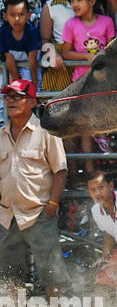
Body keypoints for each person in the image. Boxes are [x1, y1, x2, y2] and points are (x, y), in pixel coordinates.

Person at [0, 78, 68, 295]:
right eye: (8, 96)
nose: (10, 101)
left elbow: (60, 170)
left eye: (17, 97)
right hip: (7, 216)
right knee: (11, 276)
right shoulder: (1, 135)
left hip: (39, 213)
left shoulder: (45, 132)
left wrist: (53, 205)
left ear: (31, 102)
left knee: (52, 275)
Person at [38, 0, 87, 93]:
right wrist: (52, 54)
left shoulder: (91, 3)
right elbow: (45, 39)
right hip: (61, 63)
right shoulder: (50, 6)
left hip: (85, 58)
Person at [1, 0, 41, 86]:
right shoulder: (3, 34)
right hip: (12, 70)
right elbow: (9, 58)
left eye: (21, 14)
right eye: (12, 15)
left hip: (31, 70)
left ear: (28, 15)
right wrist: (18, 85)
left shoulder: (32, 32)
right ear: (5, 16)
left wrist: (34, 87)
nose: (17, 19)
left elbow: (32, 60)